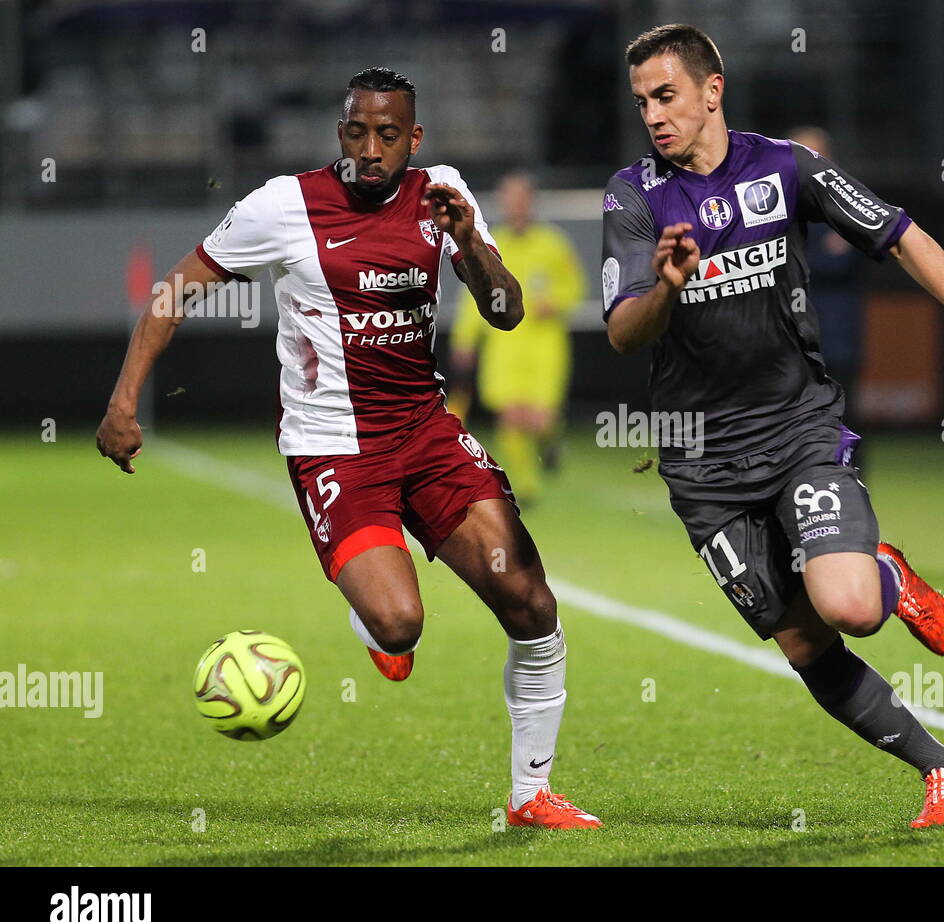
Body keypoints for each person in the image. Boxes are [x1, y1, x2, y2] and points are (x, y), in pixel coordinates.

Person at [95, 67, 600, 830]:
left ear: (414, 138)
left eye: (388, 135)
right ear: (341, 134)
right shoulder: (282, 205)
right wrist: (123, 397)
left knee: (530, 599)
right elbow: (177, 287)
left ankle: (531, 794)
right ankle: (374, 616)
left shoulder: (443, 195)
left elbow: (506, 311)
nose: (372, 150)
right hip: (332, 445)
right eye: (357, 133)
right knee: (401, 625)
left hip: (426, 430)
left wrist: (468, 240)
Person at [601, 24, 944, 828]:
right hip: (702, 467)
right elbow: (626, 331)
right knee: (802, 642)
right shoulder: (633, 197)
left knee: (852, 608)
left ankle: (888, 577)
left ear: (712, 88)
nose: (654, 116)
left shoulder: (784, 166)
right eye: (642, 102)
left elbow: (899, 235)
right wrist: (666, 285)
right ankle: (943, 772)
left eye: (666, 96)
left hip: (797, 429)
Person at [449, 172, 585, 504]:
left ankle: (549, 440)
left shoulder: (553, 244)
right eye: (510, 199)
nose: (516, 205)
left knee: (538, 418)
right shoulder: (492, 246)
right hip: (504, 345)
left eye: (521, 198)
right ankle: (526, 488)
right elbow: (475, 294)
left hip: (544, 345)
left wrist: (554, 302)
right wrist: (464, 338)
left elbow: (575, 287)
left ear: (531, 202)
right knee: (511, 415)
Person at [785, 126, 868, 437]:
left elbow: (846, 260)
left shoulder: (846, 205)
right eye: (796, 155)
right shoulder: (771, 209)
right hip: (785, 337)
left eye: (812, 155)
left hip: (837, 336)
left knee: (844, 420)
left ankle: (851, 482)